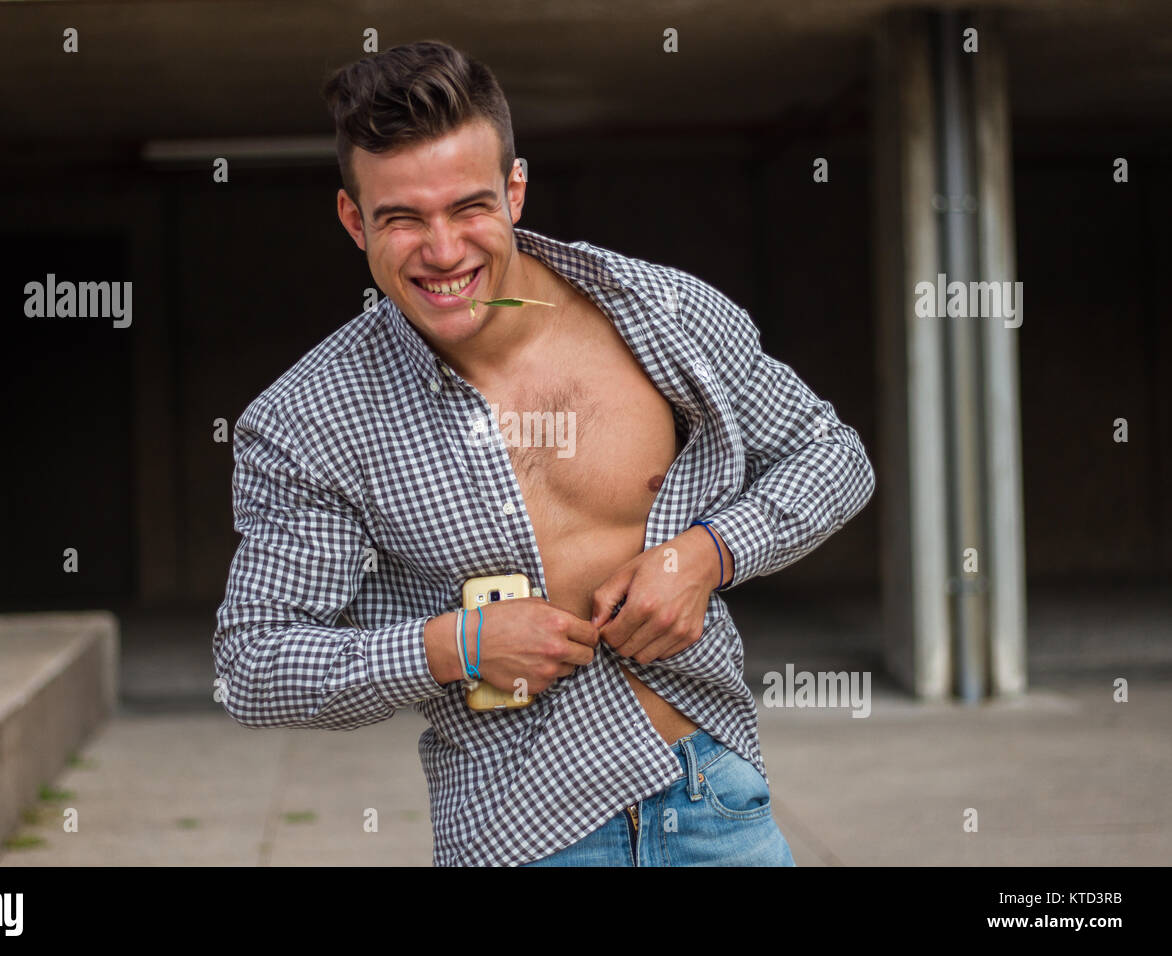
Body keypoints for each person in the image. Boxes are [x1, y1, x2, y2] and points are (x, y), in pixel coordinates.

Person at [212, 39, 875, 866]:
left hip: (716, 800)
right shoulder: (311, 422)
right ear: (354, 221)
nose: (444, 251)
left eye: (469, 208)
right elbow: (255, 663)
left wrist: (708, 554)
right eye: (403, 219)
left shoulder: (660, 314)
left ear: (516, 191)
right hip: (522, 833)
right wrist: (455, 646)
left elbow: (833, 454)